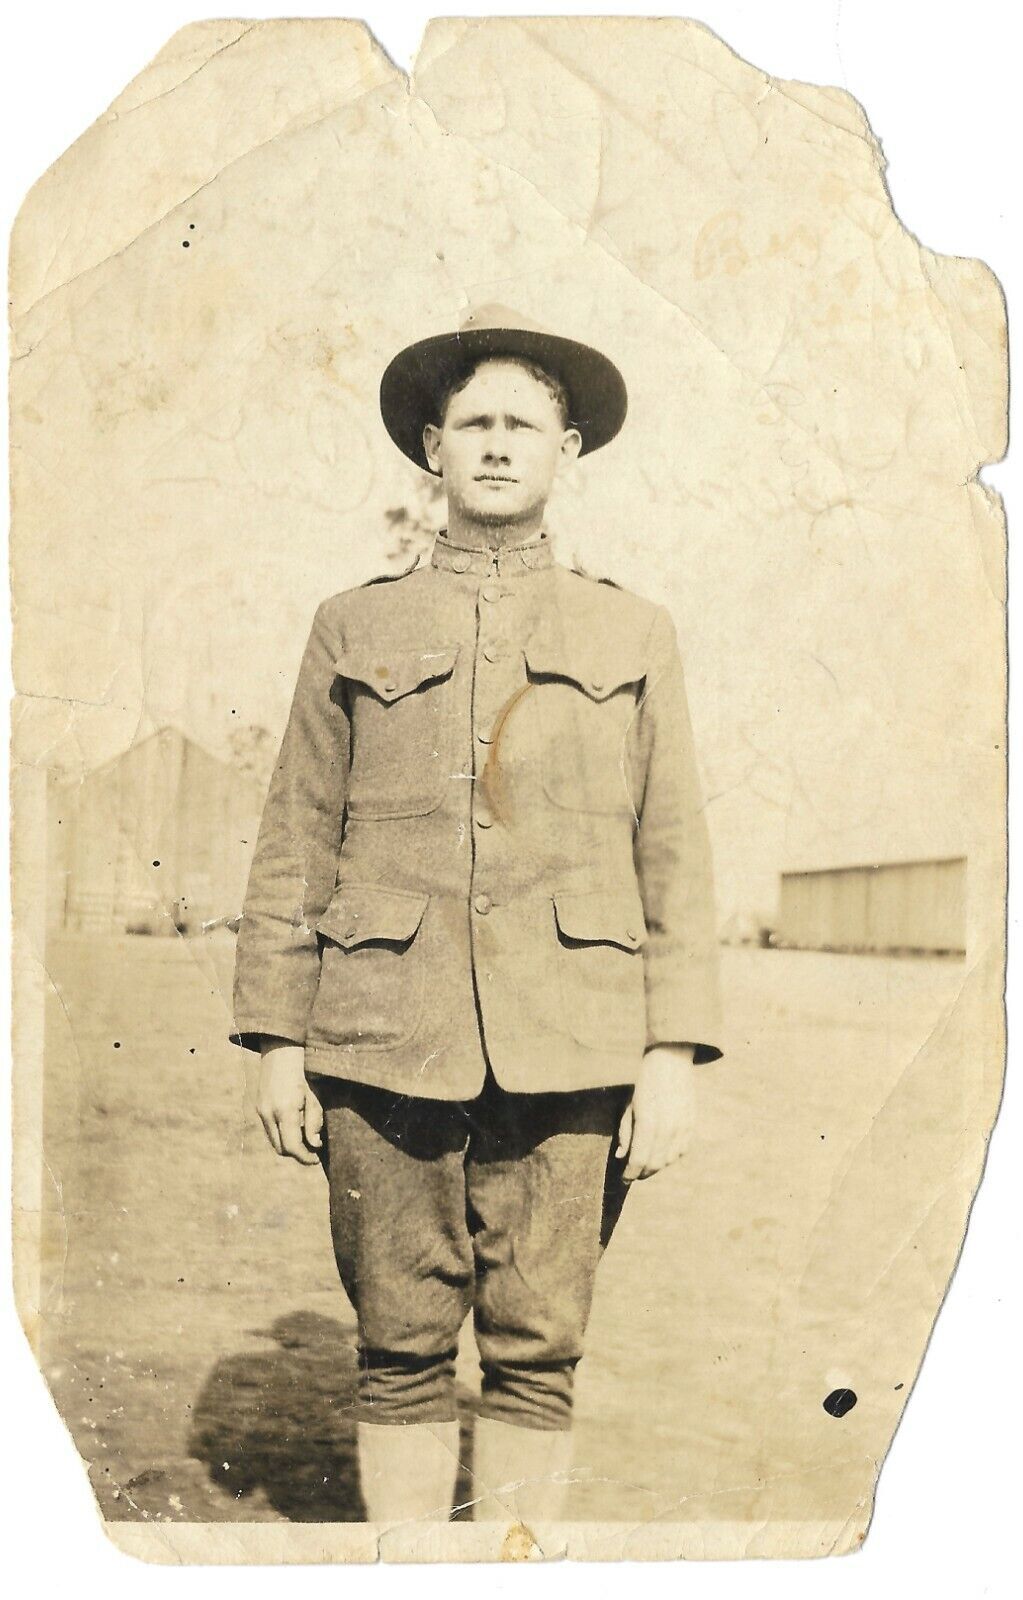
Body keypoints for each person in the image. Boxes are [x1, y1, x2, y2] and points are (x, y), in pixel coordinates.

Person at [231, 304, 723, 1525]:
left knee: (537, 1348)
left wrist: (671, 1055)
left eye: (525, 424)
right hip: (382, 1035)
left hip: (577, 1042)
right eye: (473, 424)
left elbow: (674, 850)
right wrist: (278, 1043)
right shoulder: (353, 625)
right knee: (397, 1347)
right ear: (431, 450)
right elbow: (296, 835)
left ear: (569, 453)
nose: (497, 445)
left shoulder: (633, 630)